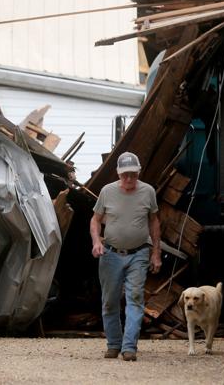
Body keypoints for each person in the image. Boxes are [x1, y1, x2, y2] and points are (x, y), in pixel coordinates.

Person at [90, 151, 162, 362]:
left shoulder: (148, 192)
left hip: (139, 253)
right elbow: (95, 220)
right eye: (125, 175)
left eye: (133, 174)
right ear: (118, 173)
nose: (129, 179)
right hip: (110, 253)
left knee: (135, 298)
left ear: (139, 172)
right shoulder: (107, 191)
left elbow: (154, 221)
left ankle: (129, 347)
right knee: (109, 301)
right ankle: (114, 344)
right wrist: (96, 241)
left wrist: (156, 252)